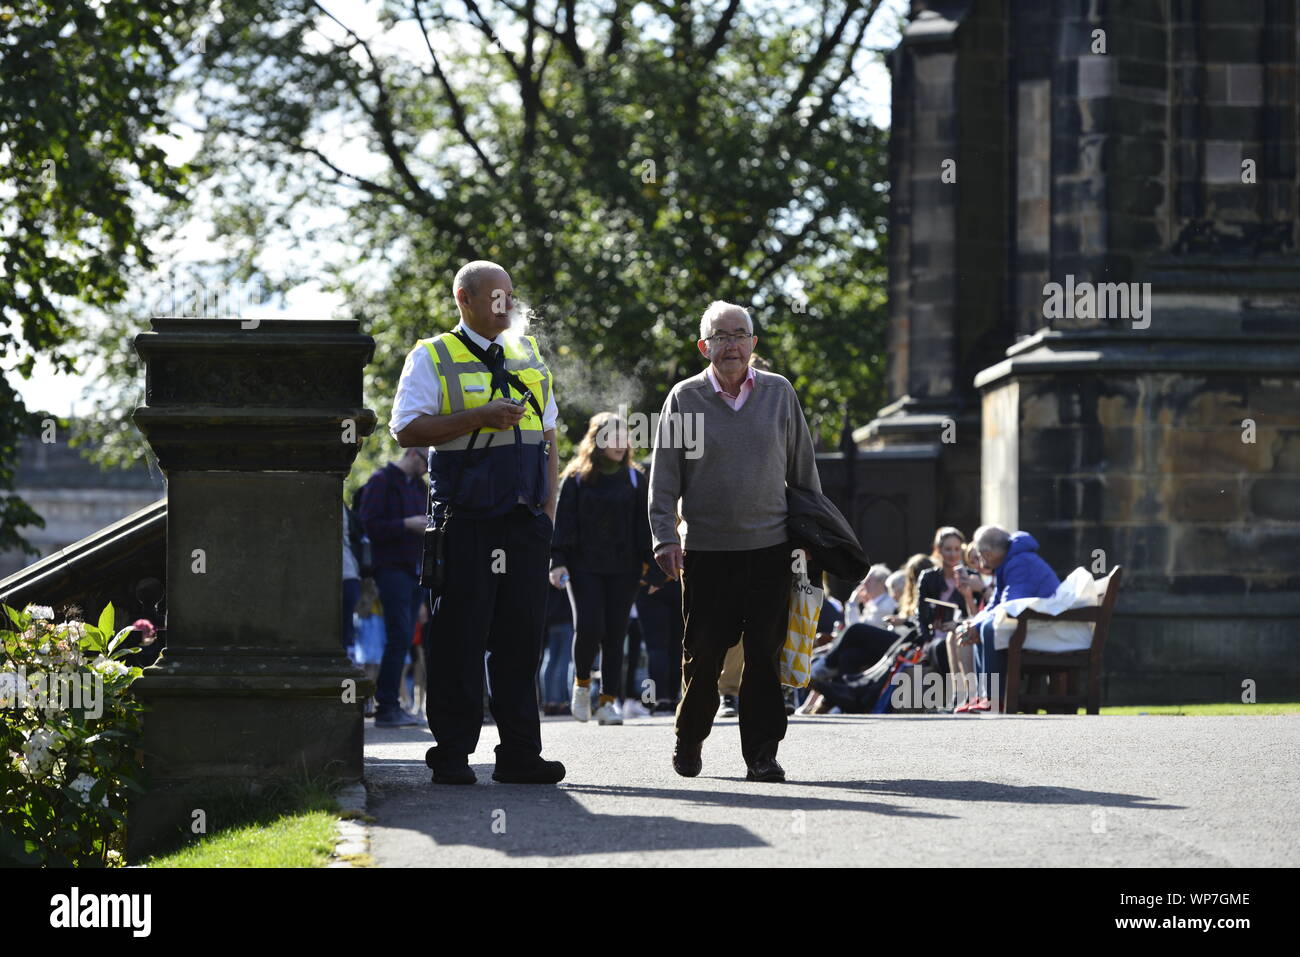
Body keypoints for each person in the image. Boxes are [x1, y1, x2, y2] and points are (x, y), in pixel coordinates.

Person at [390, 259, 565, 785]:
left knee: (521, 642)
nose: (506, 305)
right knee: (458, 641)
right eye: (495, 297)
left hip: (525, 522)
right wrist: (478, 417)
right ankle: (451, 755)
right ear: (464, 299)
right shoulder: (432, 355)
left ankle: (519, 755)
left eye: (509, 295)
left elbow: (550, 437)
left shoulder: (528, 353)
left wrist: (548, 513)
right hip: (465, 522)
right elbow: (405, 430)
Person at [649, 300, 821, 783]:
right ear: (704, 346)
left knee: (764, 656)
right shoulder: (684, 398)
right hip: (706, 551)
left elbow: (803, 470)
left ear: (753, 343)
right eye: (720, 337)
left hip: (771, 549)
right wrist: (664, 536)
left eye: (739, 335)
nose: (731, 345)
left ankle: (762, 755)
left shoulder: (779, 393)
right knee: (703, 655)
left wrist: (809, 536)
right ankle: (690, 736)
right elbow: (664, 476)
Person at [549, 411, 652, 726]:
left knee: (616, 633)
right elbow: (563, 523)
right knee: (590, 627)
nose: (621, 443)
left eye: (625, 437)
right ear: (598, 441)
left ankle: (608, 702)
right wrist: (557, 561)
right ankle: (581, 685)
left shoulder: (635, 478)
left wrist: (654, 567)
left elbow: (643, 527)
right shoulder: (576, 478)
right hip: (584, 567)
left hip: (625, 569)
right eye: (614, 437)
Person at [357, 446, 430, 728]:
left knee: (405, 638)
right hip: (390, 569)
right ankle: (387, 707)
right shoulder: (381, 481)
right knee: (398, 636)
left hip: (415, 572)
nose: (426, 469)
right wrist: (406, 524)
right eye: (425, 462)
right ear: (412, 453)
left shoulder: (420, 488)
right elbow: (369, 525)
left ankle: (392, 705)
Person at [952, 525, 1061, 712]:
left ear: (987, 554)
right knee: (981, 627)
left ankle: (994, 699)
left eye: (980, 555)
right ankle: (984, 696)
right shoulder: (1010, 561)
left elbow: (1011, 603)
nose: (980, 560)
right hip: (1033, 624)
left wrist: (978, 625)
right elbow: (995, 603)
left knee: (988, 628)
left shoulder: (1020, 562)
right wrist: (974, 623)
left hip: (1046, 628)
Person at [844, 564, 895, 628]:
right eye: (864, 581)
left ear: (881, 583)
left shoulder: (886, 606)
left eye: (868, 581)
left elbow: (857, 629)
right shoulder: (875, 603)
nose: (864, 584)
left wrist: (853, 604)